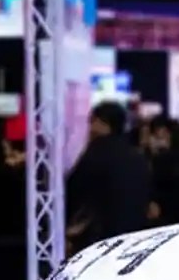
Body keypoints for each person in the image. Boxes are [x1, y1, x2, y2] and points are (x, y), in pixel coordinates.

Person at [65, 102, 152, 252]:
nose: (90, 128)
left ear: (102, 123)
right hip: (135, 237)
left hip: (101, 239)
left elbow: (75, 190)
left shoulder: (97, 152)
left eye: (92, 121)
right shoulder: (137, 155)